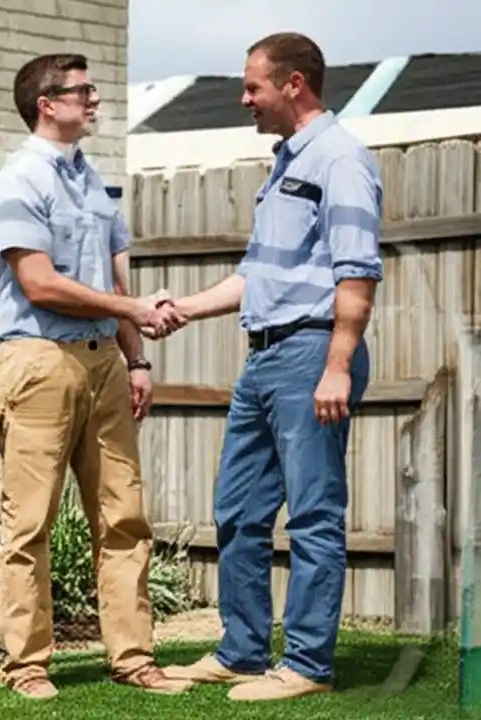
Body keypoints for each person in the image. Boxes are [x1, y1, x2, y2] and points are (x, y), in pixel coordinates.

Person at [159, 32, 383, 702]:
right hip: (264, 358)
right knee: (237, 509)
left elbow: (357, 273)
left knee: (313, 513)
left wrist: (337, 365)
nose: (243, 98)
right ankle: (242, 651)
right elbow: (257, 278)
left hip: (313, 351)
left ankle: (309, 665)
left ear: (294, 84)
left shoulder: (340, 159)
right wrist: (182, 309)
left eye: (253, 85)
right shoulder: (288, 163)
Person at [0, 51, 192, 700]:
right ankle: (28, 666)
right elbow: (39, 283)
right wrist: (131, 310)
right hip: (38, 361)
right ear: (48, 104)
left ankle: (134, 659)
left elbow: (115, 275)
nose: (95, 99)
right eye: (84, 91)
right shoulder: (20, 179)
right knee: (29, 526)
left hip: (105, 363)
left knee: (124, 516)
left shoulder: (92, 181)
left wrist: (137, 359)